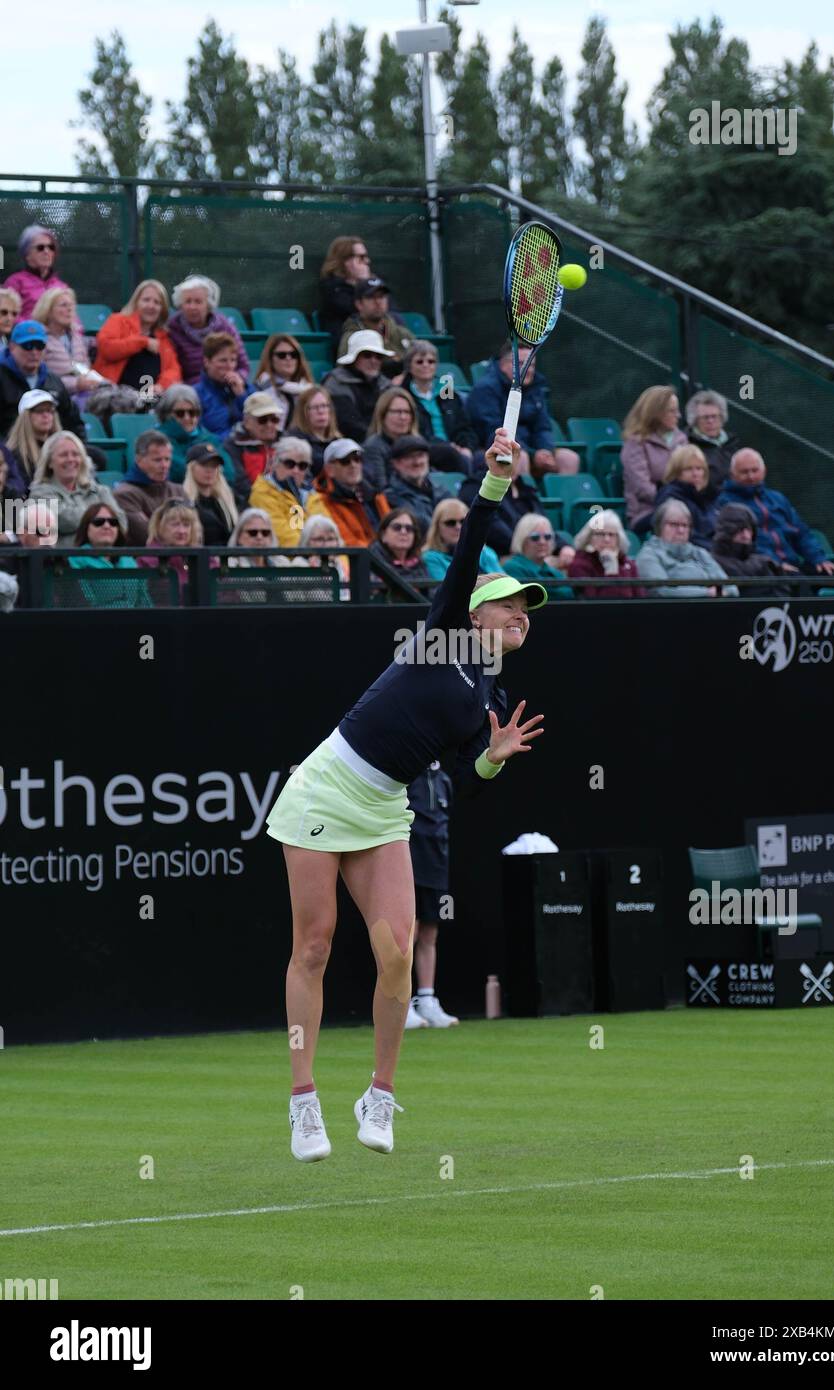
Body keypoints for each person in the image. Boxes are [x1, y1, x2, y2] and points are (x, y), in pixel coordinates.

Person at [265, 427, 546, 1162]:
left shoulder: (491, 693)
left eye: (529, 608)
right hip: (326, 786)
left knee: (394, 958)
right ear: (476, 612)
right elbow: (468, 544)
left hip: (386, 806)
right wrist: (492, 481)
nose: (520, 614)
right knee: (316, 944)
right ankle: (302, 1100)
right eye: (509, 602)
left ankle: (379, 1094)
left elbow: (451, 784)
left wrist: (488, 761)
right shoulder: (444, 633)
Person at [716, 449, 834, 575]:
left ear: (764, 471)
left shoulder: (778, 499)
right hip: (763, 567)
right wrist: (774, 563)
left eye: (755, 470)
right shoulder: (727, 504)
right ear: (732, 474)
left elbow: (801, 532)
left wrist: (818, 559)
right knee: (797, 582)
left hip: (792, 564)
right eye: (744, 472)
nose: (751, 476)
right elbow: (745, 542)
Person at [466, 342, 580, 478]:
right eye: (521, 364)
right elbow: (494, 430)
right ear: (503, 365)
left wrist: (545, 450)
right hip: (495, 448)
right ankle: (523, 498)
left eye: (531, 365)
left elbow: (543, 427)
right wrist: (532, 454)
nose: (529, 370)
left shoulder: (536, 388)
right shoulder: (485, 388)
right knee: (521, 457)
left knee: (569, 458)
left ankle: (563, 498)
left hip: (532, 450)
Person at [404, 761, 459, 1029]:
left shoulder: (444, 780)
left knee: (429, 934)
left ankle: (426, 999)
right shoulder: (405, 775)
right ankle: (400, 1005)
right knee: (408, 934)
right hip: (408, 863)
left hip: (436, 864)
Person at [28, 432, 126, 547]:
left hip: (105, 560)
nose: (70, 459)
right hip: (65, 562)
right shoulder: (39, 493)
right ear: (49, 462)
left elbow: (121, 522)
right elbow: (62, 520)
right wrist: (101, 518)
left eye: (75, 454)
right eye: (63, 455)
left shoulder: (100, 491)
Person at [91, 280, 181, 400]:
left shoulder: (163, 337)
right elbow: (107, 349)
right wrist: (142, 342)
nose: (151, 306)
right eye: (146, 300)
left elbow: (173, 370)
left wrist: (160, 386)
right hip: (114, 395)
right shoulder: (118, 321)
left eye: (157, 302)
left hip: (150, 399)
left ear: (162, 309)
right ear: (136, 302)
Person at [398, 340, 478, 473]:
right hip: (423, 449)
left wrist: (466, 447)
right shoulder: (403, 395)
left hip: (456, 449)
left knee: (483, 459)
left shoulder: (448, 393)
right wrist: (448, 447)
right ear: (409, 366)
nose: (426, 365)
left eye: (431, 361)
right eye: (419, 361)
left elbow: (464, 427)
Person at [0, 320, 87, 440]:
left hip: (50, 450)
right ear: (12, 347)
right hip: (9, 451)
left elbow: (73, 423)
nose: (34, 352)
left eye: (40, 346)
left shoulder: (53, 382)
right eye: (28, 346)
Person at [636, 499, 738, 597]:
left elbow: (731, 588)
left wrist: (716, 593)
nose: (681, 530)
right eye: (674, 524)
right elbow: (661, 591)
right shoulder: (648, 555)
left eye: (685, 525)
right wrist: (707, 593)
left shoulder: (700, 553)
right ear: (659, 527)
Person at [458, 443, 542, 557]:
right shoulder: (475, 486)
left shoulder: (528, 491)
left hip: (533, 552)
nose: (511, 461)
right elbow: (489, 525)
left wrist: (562, 547)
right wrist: (522, 547)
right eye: (507, 455)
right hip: (502, 555)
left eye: (515, 455)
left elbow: (543, 523)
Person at [621, 385, 689, 528]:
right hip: (647, 512)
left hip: (683, 506)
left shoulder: (682, 440)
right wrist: (672, 502)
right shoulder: (636, 443)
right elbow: (642, 487)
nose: (679, 415)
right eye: (672, 411)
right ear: (655, 413)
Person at [304, 438, 391, 547]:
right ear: (329, 469)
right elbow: (346, 542)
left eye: (357, 459)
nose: (353, 465)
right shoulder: (322, 500)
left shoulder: (376, 496)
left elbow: (392, 530)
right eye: (345, 461)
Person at [166, 274, 251, 385]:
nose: (192, 307)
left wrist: (236, 377)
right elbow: (170, 370)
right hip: (188, 389)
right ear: (181, 305)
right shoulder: (172, 329)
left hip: (225, 384)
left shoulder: (225, 327)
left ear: (208, 305)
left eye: (198, 302)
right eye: (188, 301)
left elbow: (243, 366)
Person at [67, 503, 150, 609]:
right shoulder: (74, 561)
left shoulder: (129, 561)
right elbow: (85, 604)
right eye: (98, 522)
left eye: (113, 522)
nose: (107, 526)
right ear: (86, 528)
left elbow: (144, 601)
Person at [114, 430, 186, 546]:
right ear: (138, 460)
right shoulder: (124, 495)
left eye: (167, 459)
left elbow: (194, 531)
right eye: (157, 460)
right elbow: (149, 536)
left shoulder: (178, 491)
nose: (164, 466)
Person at [32, 288, 105, 397]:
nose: (70, 309)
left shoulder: (77, 338)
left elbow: (85, 369)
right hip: (54, 396)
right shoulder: (39, 339)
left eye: (71, 305)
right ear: (48, 310)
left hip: (84, 393)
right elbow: (38, 378)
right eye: (63, 305)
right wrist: (76, 384)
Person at [322, 330, 392, 441]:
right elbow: (349, 425)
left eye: (378, 356)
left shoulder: (386, 385)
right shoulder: (336, 383)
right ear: (354, 358)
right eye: (367, 355)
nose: (373, 361)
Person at [337, 278, 411, 378]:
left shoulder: (402, 334)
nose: (378, 302)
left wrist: (403, 377)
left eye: (382, 296)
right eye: (371, 297)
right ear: (359, 304)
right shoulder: (351, 338)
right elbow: (343, 373)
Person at [2, 226, 79, 322]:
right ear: (27, 254)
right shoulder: (15, 282)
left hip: (59, 336)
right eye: (40, 248)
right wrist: (36, 328)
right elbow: (5, 317)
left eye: (51, 247)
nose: (47, 251)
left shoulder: (61, 287)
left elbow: (75, 321)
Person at [711, 502, 788, 598]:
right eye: (740, 529)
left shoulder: (764, 562)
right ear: (726, 531)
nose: (746, 536)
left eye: (749, 529)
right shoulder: (710, 562)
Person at [155, 384, 228, 484]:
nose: (187, 417)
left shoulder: (209, 438)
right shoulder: (157, 440)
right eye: (180, 413)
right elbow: (178, 473)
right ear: (166, 414)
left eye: (193, 412)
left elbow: (230, 474)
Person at [648, 444, 717, 548]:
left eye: (699, 468)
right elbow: (687, 538)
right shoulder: (670, 498)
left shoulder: (707, 498)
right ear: (676, 472)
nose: (695, 474)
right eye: (689, 469)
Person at [222, 391, 281, 509]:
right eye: (263, 420)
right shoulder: (233, 446)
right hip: (253, 507)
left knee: (300, 520)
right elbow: (240, 485)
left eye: (274, 419)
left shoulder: (287, 444)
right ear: (247, 422)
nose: (270, 425)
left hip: (286, 504)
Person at [568, 509, 644, 599]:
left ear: (619, 539)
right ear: (589, 537)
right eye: (601, 534)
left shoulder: (629, 565)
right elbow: (600, 604)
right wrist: (611, 572)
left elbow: (640, 599)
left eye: (611, 534)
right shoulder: (579, 566)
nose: (606, 539)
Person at [422, 498, 503, 581]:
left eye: (463, 521)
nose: (458, 527)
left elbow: (504, 582)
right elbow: (447, 591)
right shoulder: (430, 558)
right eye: (450, 523)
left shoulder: (484, 551)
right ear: (437, 527)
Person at [249, 436, 310, 546]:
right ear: (274, 463)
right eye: (289, 464)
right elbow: (283, 536)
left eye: (302, 466)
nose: (295, 471)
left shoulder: (311, 495)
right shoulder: (263, 493)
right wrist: (312, 552)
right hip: (284, 558)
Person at [138, 498, 204, 600]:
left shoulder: (204, 557)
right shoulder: (149, 560)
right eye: (175, 524)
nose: (182, 531)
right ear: (160, 526)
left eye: (186, 525)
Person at [196, 332, 257, 439]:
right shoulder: (196, 394)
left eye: (233, 360)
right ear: (207, 362)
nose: (229, 366)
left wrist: (242, 396)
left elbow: (260, 422)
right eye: (223, 361)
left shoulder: (247, 389)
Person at [384, 435, 450, 530]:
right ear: (396, 463)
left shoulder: (439, 489)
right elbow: (421, 524)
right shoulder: (391, 495)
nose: (417, 462)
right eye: (409, 457)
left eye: (421, 455)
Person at [363, 387, 422, 493]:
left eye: (407, 412)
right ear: (382, 415)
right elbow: (381, 489)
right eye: (397, 412)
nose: (403, 417)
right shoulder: (373, 447)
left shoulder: (418, 443)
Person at [181, 441, 240, 546]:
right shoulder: (183, 501)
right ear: (191, 468)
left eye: (214, 466)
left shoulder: (228, 500)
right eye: (204, 465)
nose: (209, 470)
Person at [503, 514, 575, 600]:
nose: (542, 542)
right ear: (522, 539)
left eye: (547, 537)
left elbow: (569, 593)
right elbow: (533, 596)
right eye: (535, 537)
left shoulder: (554, 572)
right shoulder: (511, 567)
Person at [319, 235, 374, 345]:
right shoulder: (332, 287)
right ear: (345, 261)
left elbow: (389, 310)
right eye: (361, 257)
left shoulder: (374, 283)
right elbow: (361, 310)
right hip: (348, 344)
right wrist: (365, 283)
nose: (367, 261)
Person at [685, 390, 740, 498]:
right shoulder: (687, 445)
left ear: (722, 417)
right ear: (695, 420)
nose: (710, 421)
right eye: (705, 417)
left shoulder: (732, 443)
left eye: (714, 416)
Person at [254, 335, 315, 430]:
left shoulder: (308, 388)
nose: (288, 358)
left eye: (293, 354)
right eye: (282, 355)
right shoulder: (262, 387)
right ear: (270, 359)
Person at [368, 508, 428, 601]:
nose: (403, 532)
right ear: (383, 535)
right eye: (397, 527)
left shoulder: (419, 563)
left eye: (409, 528)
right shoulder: (371, 561)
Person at [288, 385, 341, 478]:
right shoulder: (295, 441)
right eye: (315, 407)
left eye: (324, 406)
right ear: (303, 412)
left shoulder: (338, 441)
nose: (321, 411)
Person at [293, 514, 350, 596]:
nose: (327, 545)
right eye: (319, 539)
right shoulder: (298, 567)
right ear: (307, 542)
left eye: (331, 539)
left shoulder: (341, 566)